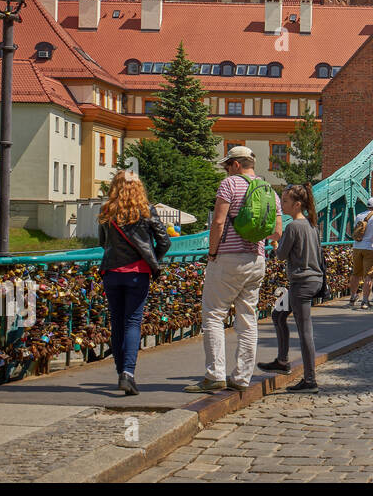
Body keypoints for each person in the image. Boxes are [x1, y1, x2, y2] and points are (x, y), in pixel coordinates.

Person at [187, 146, 280, 393]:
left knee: (214, 315)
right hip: (256, 259)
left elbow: (218, 222)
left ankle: (214, 375)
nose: (226, 170)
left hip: (228, 259)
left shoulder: (229, 184)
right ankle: (241, 378)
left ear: (236, 164)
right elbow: (277, 232)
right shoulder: (269, 189)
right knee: (248, 320)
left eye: (227, 165)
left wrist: (213, 252)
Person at [97, 171, 171, 396]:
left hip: (111, 272)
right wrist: (153, 259)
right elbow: (164, 241)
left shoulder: (106, 210)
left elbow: (102, 242)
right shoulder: (146, 210)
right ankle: (127, 374)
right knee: (132, 322)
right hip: (138, 273)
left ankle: (120, 371)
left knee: (117, 322)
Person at [258, 184, 323, 393]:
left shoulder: (294, 226)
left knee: (305, 331)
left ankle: (310, 379)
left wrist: (275, 243)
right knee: (278, 315)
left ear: (297, 204)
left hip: (302, 283)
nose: (282, 205)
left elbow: (281, 255)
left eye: (285, 202)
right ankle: (282, 360)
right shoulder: (312, 225)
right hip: (312, 280)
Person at [348, 195, 373, 309]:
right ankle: (365, 301)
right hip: (370, 248)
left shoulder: (359, 216)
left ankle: (353, 297)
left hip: (357, 247)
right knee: (369, 275)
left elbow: (354, 230)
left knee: (356, 274)